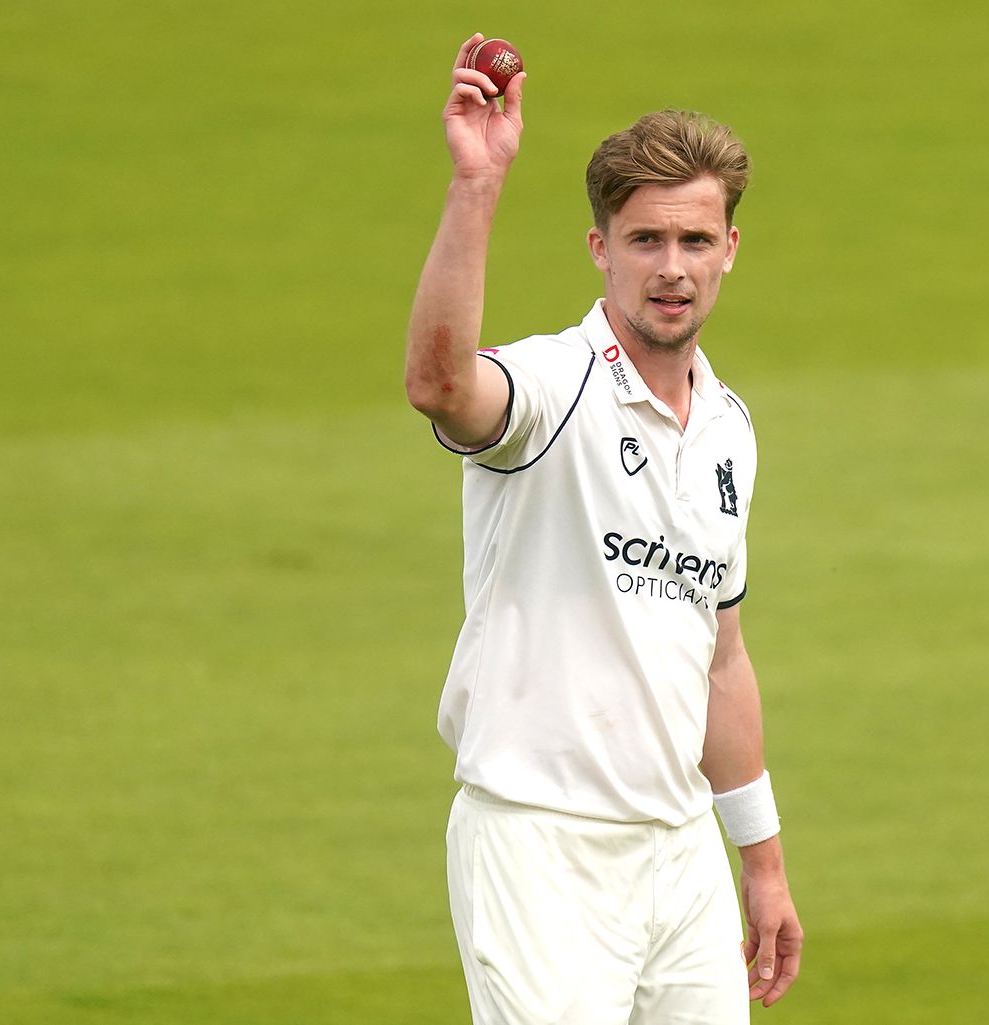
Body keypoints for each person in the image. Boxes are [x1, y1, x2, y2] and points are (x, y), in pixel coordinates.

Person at [404, 33, 803, 1025]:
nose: (671, 268)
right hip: (539, 843)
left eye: (694, 241)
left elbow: (718, 656)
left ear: (729, 251)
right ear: (600, 248)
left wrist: (759, 859)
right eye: (645, 240)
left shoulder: (728, 428)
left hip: (676, 852)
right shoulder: (549, 388)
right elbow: (440, 385)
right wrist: (477, 185)